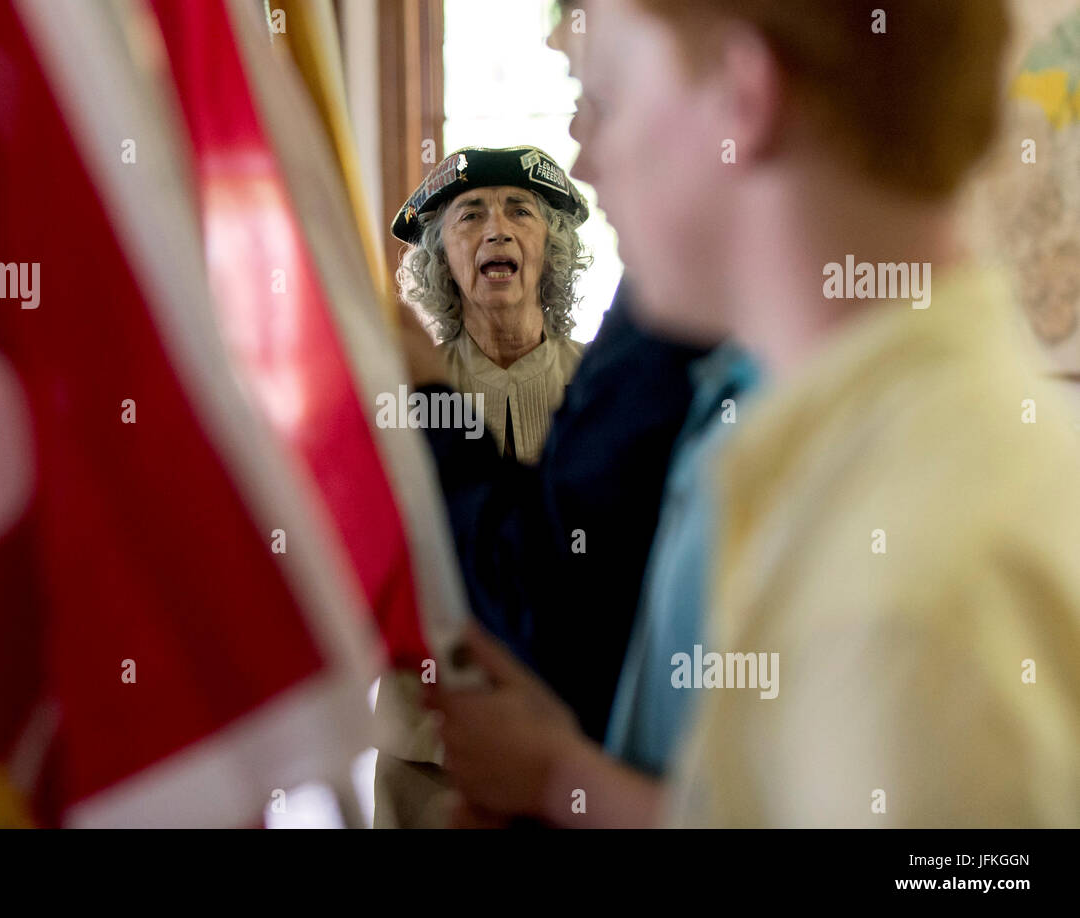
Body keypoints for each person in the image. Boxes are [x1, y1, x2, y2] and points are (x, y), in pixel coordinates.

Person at [431, 0, 1080, 828]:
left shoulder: (914, 586)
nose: (588, 164)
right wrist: (565, 781)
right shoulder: (844, 452)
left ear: (743, 96)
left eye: (613, 98)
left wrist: (564, 786)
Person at [394, 146, 589, 464]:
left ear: (552, 246)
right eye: (471, 216)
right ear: (441, 257)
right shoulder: (414, 389)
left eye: (520, 212)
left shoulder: (599, 379)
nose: (498, 231)